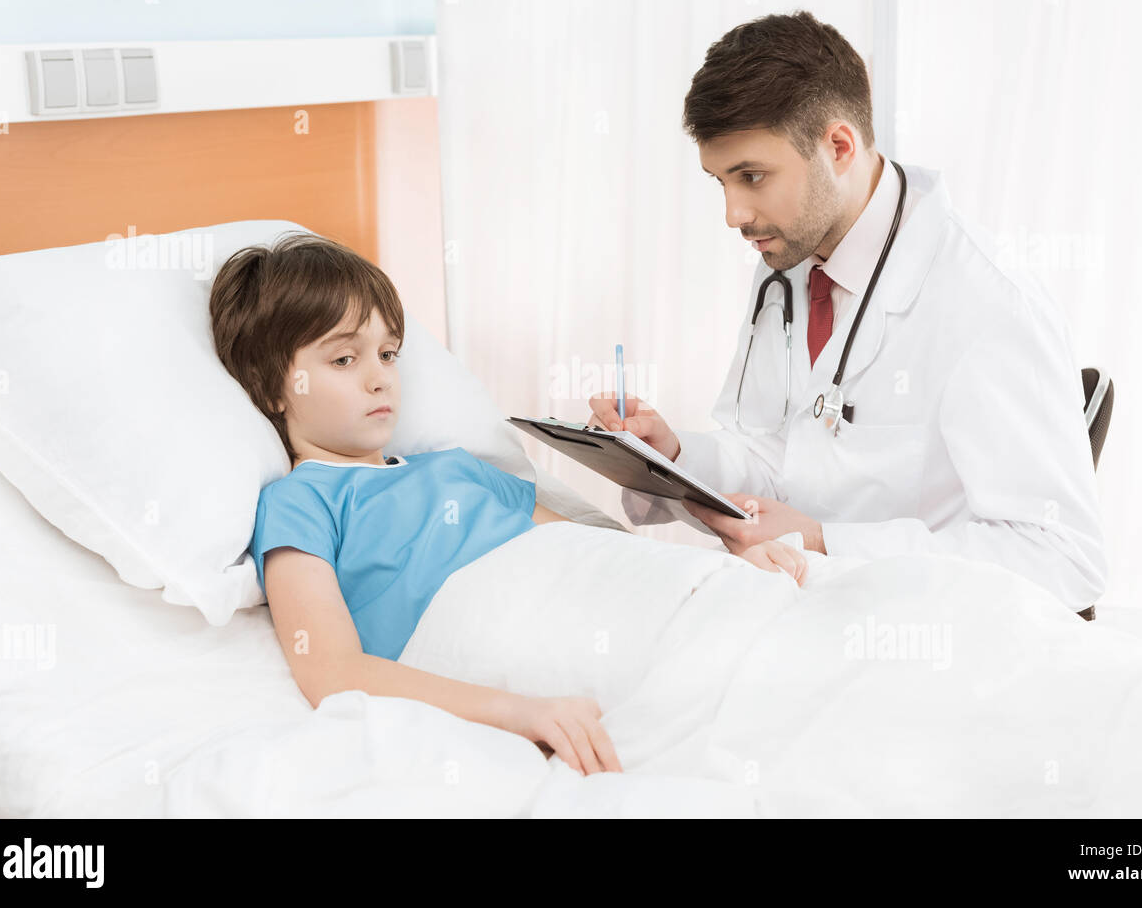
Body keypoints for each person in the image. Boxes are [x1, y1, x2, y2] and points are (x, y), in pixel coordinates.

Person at [208, 232, 807, 776]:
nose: (379, 378)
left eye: (388, 354)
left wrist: (714, 573)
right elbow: (331, 672)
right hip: (478, 626)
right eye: (344, 359)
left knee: (762, 628)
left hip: (575, 586)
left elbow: (590, 552)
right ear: (269, 387)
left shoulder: (456, 466)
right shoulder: (298, 502)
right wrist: (519, 713)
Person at [588, 11, 1107, 614]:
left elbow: (1064, 558)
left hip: (932, 643)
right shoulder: (788, 262)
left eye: (751, 176)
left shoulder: (988, 304)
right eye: (720, 182)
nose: (734, 213)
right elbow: (776, 455)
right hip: (806, 613)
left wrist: (825, 543)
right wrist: (675, 456)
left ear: (838, 146)